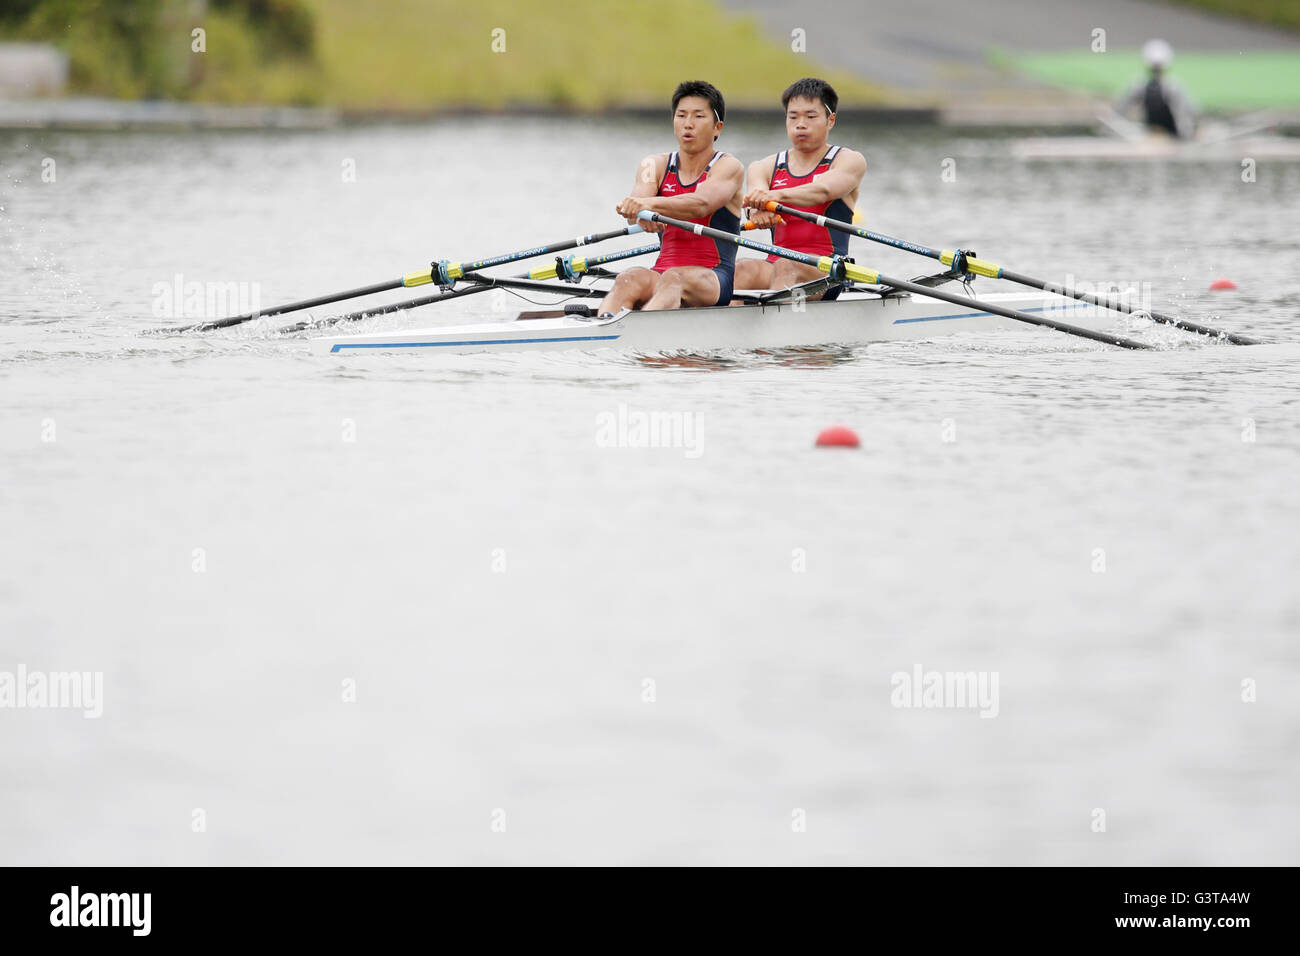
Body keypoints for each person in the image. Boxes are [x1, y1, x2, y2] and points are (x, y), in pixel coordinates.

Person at [597, 81, 744, 315]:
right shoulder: (654, 164)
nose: (688, 124)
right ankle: (601, 330)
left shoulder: (728, 166)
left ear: (717, 128)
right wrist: (639, 213)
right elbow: (637, 206)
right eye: (681, 115)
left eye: (698, 116)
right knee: (628, 278)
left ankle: (639, 332)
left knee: (674, 278)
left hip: (713, 278)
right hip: (663, 272)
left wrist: (649, 206)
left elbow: (700, 204)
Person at [735, 77, 866, 300]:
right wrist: (755, 210)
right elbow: (754, 198)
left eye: (811, 116)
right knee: (740, 268)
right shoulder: (763, 166)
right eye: (793, 116)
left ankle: (775, 326)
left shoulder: (849, 161)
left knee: (788, 266)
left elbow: (823, 190)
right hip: (775, 264)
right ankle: (724, 325)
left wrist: (773, 197)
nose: (800, 124)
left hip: (827, 271)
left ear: (830, 120)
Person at [1116, 39, 1197, 139]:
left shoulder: (1144, 85)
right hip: (1155, 136)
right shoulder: (1171, 86)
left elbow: (1120, 108)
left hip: (1170, 137)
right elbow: (1190, 111)